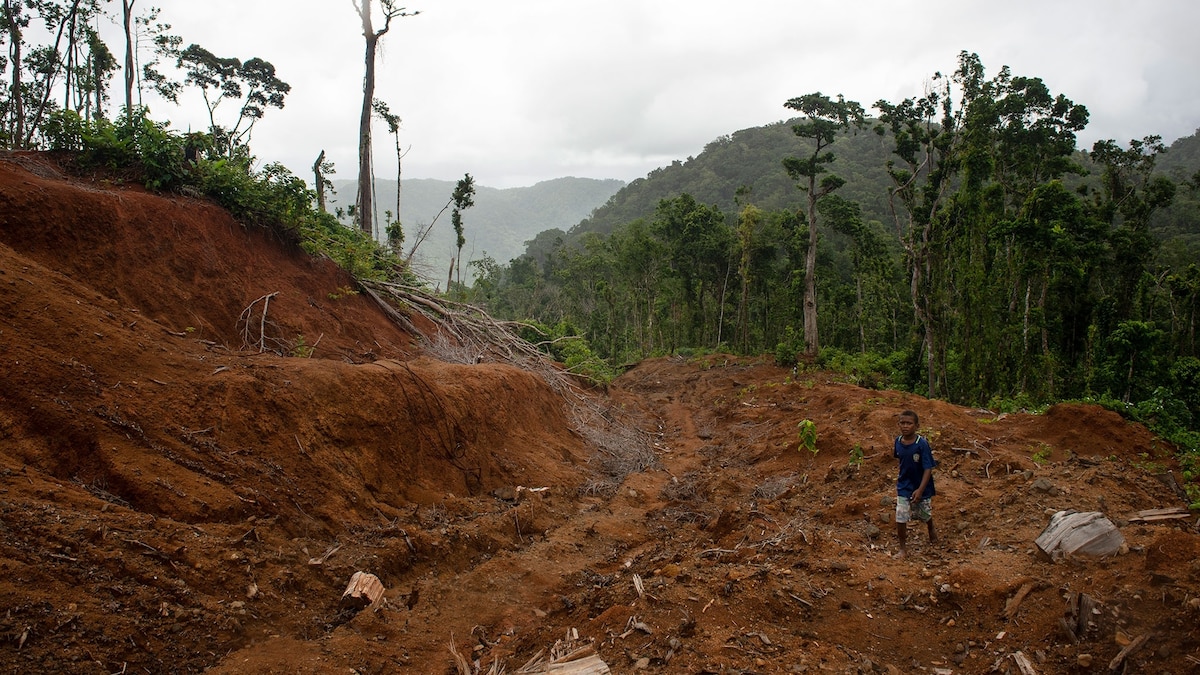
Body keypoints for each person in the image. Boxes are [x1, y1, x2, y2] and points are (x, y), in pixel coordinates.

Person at [893, 409, 937, 558]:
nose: (905, 426)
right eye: (903, 423)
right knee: (901, 514)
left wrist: (920, 489)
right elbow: (900, 460)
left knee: (924, 513)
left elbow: (928, 468)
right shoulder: (898, 442)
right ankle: (902, 549)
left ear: (916, 426)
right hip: (904, 485)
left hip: (921, 485)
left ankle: (931, 527)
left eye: (909, 423)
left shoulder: (921, 444)